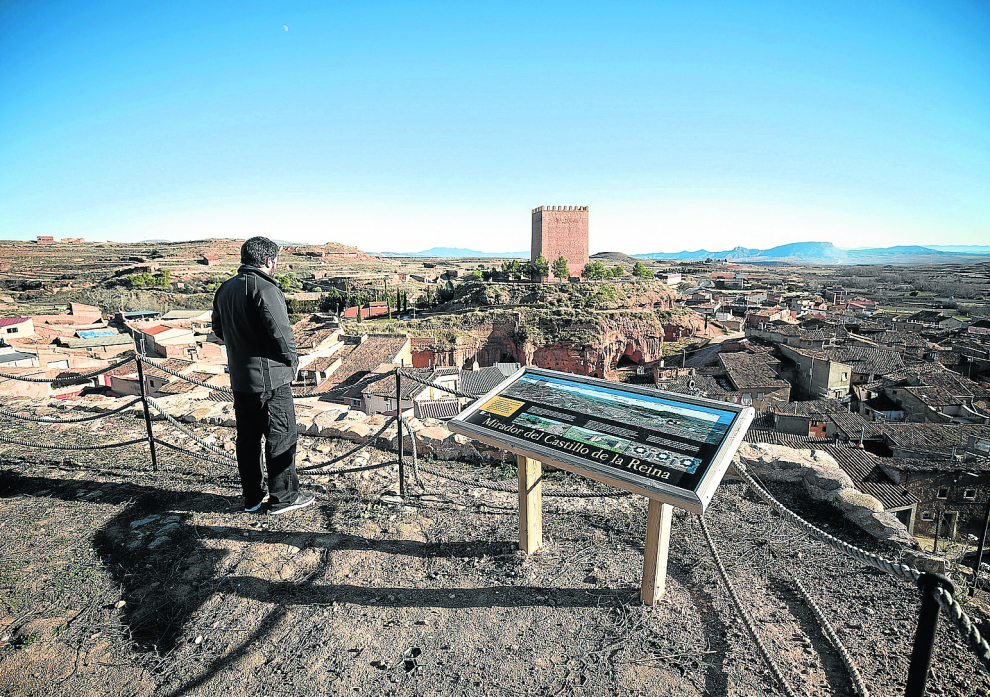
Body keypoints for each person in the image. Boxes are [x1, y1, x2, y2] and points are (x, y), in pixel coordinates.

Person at [212, 237, 315, 515]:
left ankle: (252, 498)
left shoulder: (225, 289)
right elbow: (281, 334)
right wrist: (293, 362)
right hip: (271, 380)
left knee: (247, 440)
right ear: (269, 260)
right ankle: (284, 498)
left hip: (240, 379)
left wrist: (242, 348)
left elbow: (218, 329)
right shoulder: (266, 288)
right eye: (276, 260)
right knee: (281, 436)